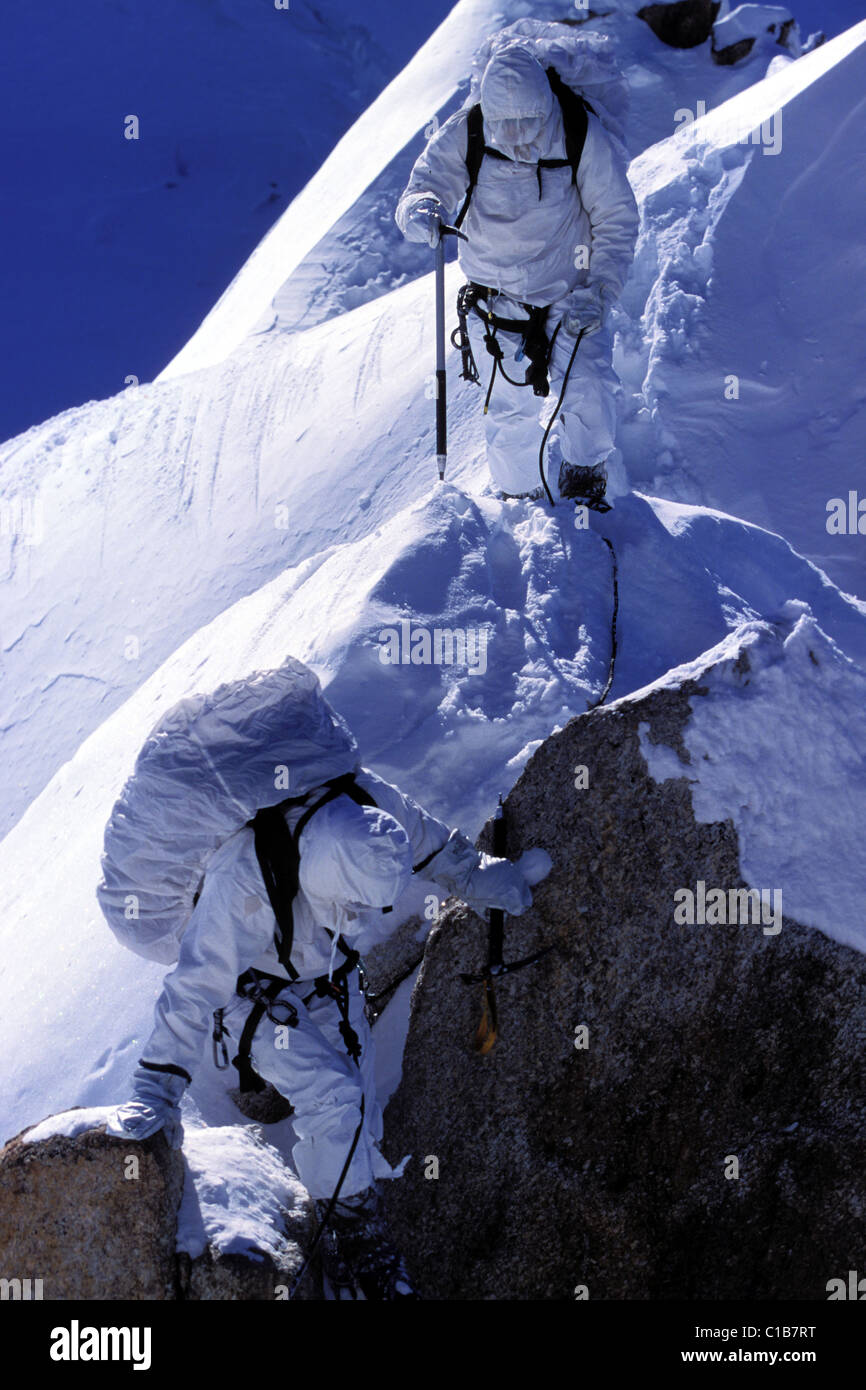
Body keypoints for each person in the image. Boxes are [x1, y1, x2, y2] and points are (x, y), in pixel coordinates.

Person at [106, 763, 547, 1300]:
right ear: (323, 872)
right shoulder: (245, 875)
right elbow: (196, 987)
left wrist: (488, 878)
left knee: (359, 1114)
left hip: (330, 984)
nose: (360, 913)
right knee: (332, 1094)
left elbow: (438, 848)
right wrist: (157, 1087)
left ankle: (342, 1229)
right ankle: (361, 1245)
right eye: (350, 901)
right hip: (249, 995)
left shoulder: (372, 805)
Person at [396, 35, 639, 508]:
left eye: (529, 121)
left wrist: (601, 290)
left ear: (546, 105)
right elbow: (424, 186)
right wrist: (422, 210)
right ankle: (518, 503)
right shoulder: (466, 133)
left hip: (572, 294)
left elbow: (616, 217)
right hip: (495, 299)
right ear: (488, 112)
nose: (517, 135)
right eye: (505, 125)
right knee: (509, 415)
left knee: (588, 390)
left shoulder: (578, 133)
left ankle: (584, 484)